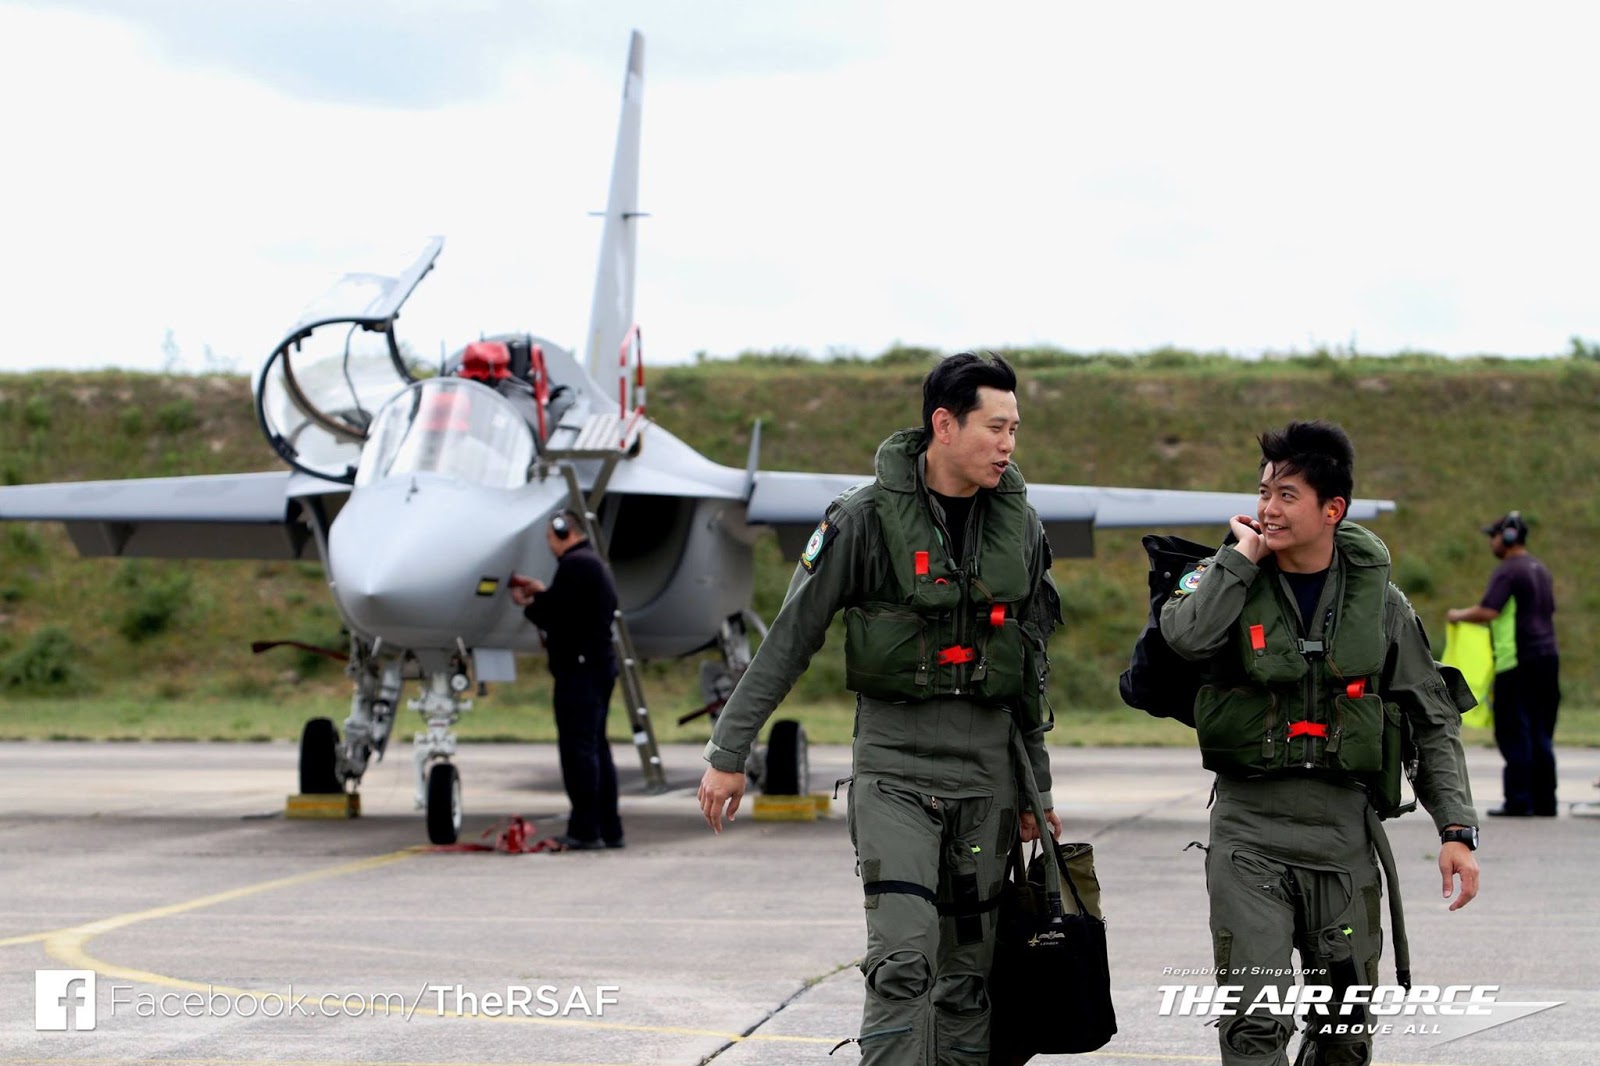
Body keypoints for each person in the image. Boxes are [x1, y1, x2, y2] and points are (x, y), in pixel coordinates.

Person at [697, 352, 1063, 1064]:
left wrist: (1037, 790)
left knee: (967, 980)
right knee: (902, 962)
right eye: (995, 427)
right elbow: (789, 639)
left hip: (987, 777)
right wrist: (729, 751)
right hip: (896, 771)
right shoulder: (862, 520)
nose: (1008, 445)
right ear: (944, 425)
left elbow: (1028, 674)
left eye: (1015, 429)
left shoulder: (1020, 528)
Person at [1159, 420, 1479, 1066]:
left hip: (1342, 837)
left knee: (1345, 1034)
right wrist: (1238, 562)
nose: (1268, 509)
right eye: (1263, 493)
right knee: (1254, 1022)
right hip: (1249, 834)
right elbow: (1186, 637)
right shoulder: (1226, 578)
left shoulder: (1381, 604)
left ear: (1333, 509)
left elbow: (1431, 717)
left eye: (1286, 496)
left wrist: (1456, 829)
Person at [510, 510, 624, 851]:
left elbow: (557, 616)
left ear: (563, 532)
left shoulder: (575, 565)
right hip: (597, 668)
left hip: (579, 673)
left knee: (579, 753)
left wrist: (529, 604)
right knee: (597, 748)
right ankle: (609, 828)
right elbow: (572, 607)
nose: (550, 545)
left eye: (550, 538)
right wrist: (543, 594)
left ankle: (586, 830)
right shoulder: (592, 563)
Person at [1447, 511, 1559, 817]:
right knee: (1540, 732)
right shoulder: (1540, 569)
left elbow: (1489, 610)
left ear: (1508, 537)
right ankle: (1545, 802)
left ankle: (1519, 801)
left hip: (1517, 661)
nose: (1491, 542)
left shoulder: (1509, 570)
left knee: (1513, 730)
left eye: (1493, 536)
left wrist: (1457, 615)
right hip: (1548, 658)